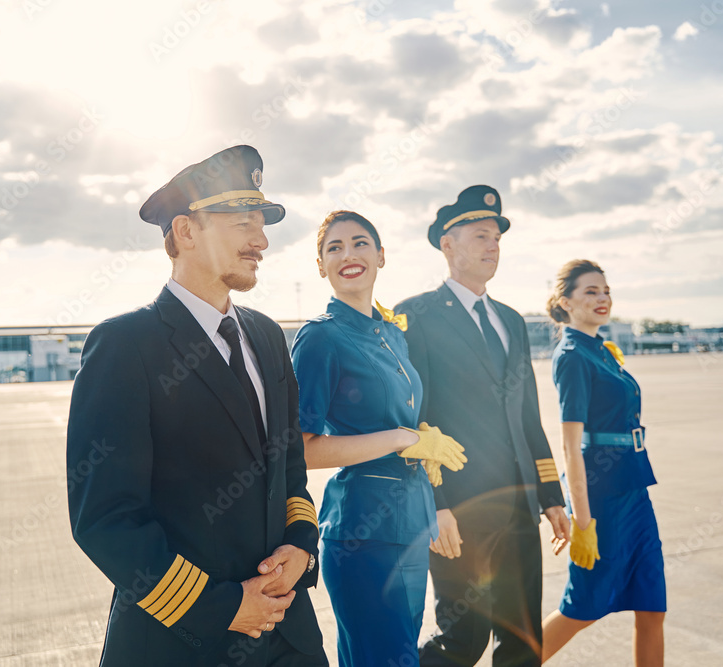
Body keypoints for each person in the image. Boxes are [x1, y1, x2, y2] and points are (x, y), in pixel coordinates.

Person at [67, 145, 327, 666]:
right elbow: (106, 518)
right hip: (184, 641)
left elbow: (289, 469)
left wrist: (301, 547)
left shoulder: (268, 336)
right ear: (185, 232)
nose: (261, 240)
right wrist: (224, 607)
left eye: (262, 223)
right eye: (242, 223)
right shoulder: (125, 345)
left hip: (287, 634)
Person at [395, 185, 570, 667]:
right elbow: (413, 420)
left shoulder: (511, 320)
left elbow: (528, 416)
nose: (492, 245)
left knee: (523, 639)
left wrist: (551, 495)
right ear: (447, 244)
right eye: (480, 235)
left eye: (496, 236)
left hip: (518, 505)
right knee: (463, 640)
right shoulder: (416, 316)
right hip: (460, 509)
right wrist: (437, 504)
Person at [291, 210, 466, 667]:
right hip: (362, 532)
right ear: (321, 266)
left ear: (381, 256)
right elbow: (301, 450)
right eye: (334, 247)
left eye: (360, 243)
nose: (348, 254)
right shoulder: (320, 339)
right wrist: (400, 437)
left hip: (410, 525)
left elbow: (406, 420)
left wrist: (430, 481)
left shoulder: (391, 334)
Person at [541, 260, 665, 666]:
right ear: (566, 302)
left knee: (652, 606)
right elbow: (570, 446)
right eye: (591, 291)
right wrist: (582, 520)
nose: (603, 298)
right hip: (602, 499)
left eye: (606, 290)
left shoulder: (602, 350)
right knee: (583, 608)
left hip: (634, 490)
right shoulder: (573, 356)